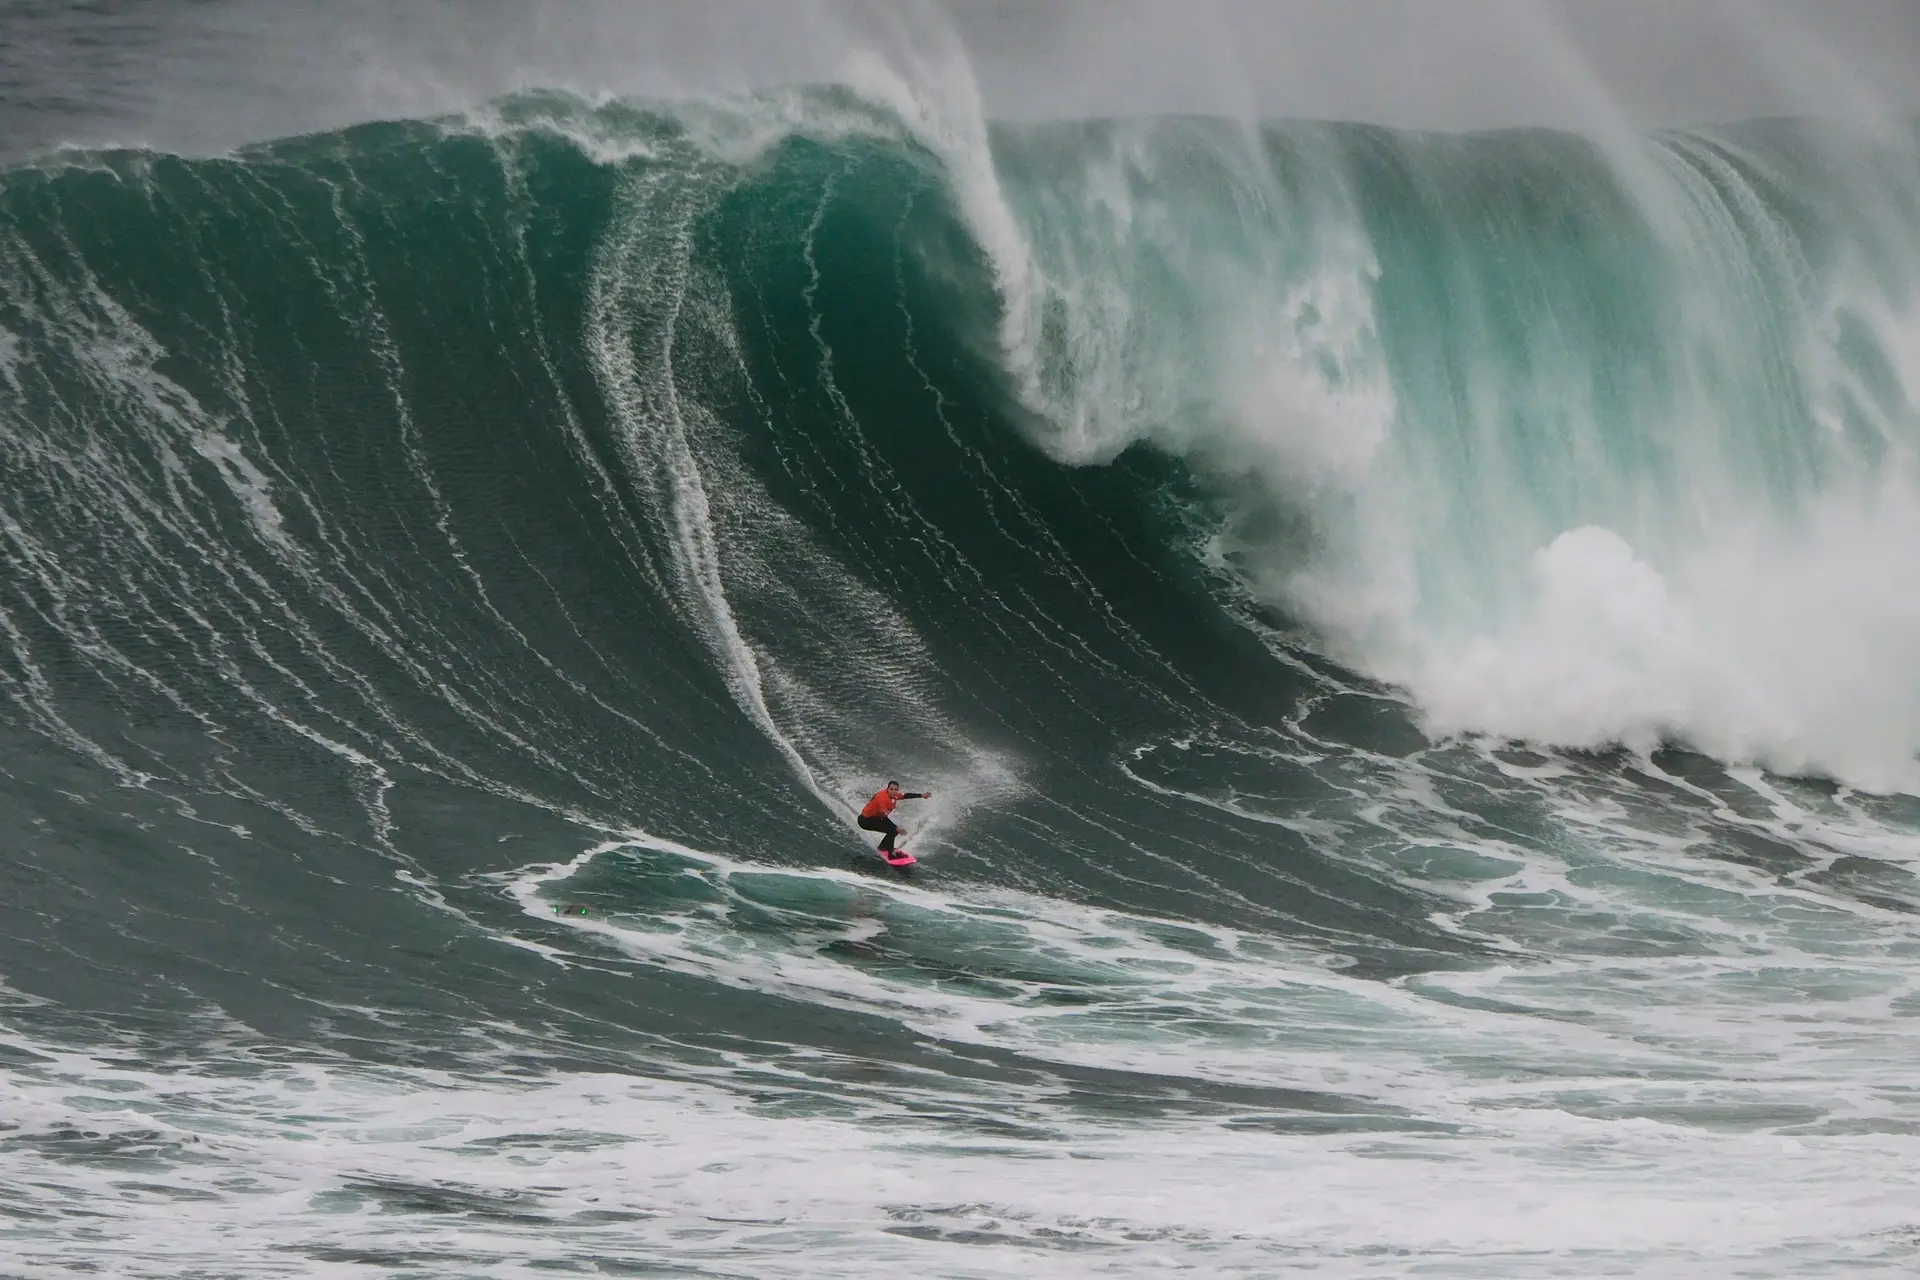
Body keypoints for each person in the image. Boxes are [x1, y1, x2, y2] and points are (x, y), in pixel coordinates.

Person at [858, 780, 931, 861]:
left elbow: (906, 795)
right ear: (887, 789)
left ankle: (883, 847)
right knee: (893, 830)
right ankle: (891, 854)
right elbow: (883, 817)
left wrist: (921, 795)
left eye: (896, 790)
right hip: (865, 821)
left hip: (875, 818)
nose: (893, 791)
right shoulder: (882, 798)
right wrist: (896, 828)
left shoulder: (895, 795)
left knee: (893, 830)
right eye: (891, 789)